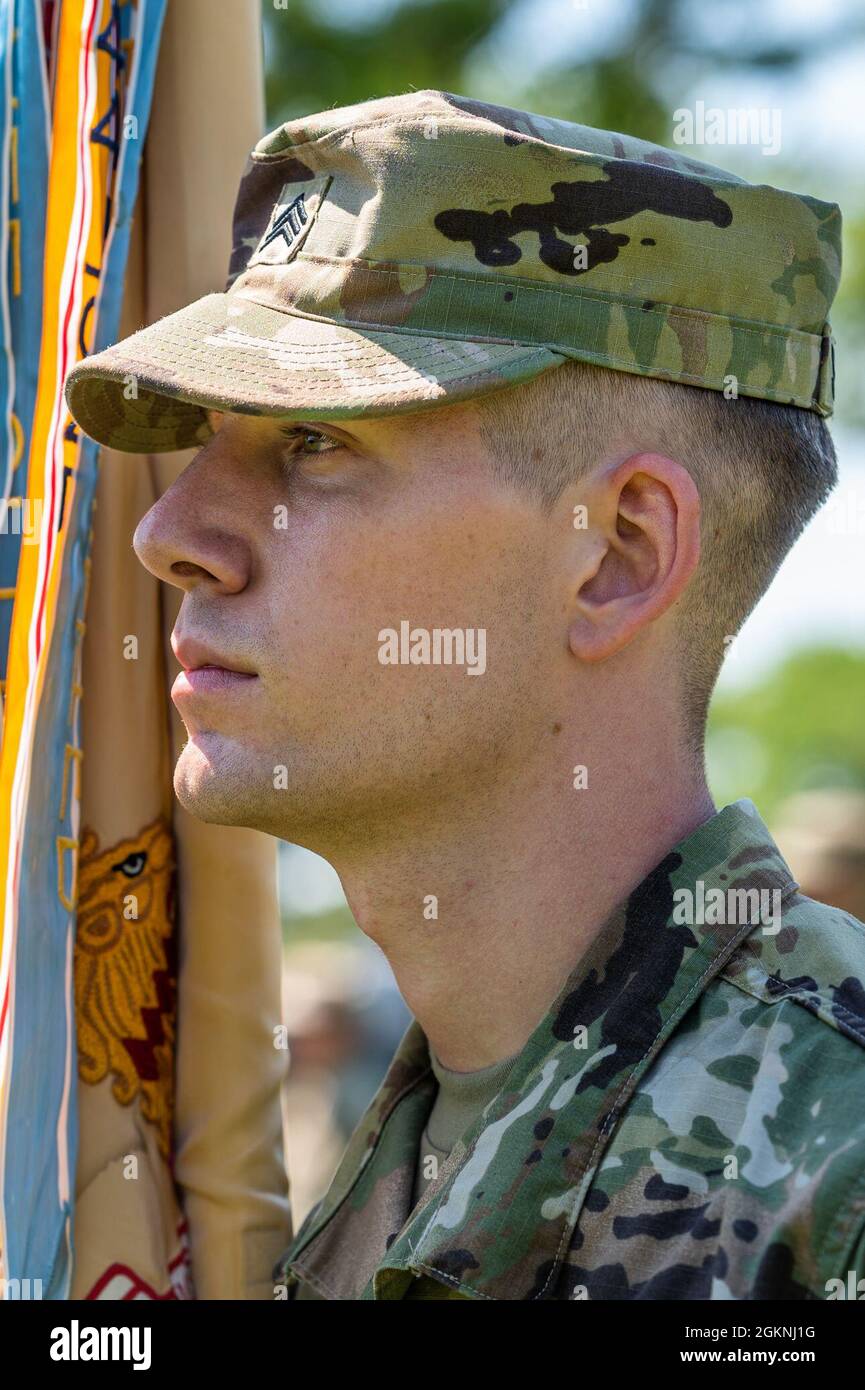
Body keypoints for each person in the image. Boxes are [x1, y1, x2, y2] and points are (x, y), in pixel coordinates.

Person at [64, 90, 865, 1301]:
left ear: (616, 554)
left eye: (313, 445)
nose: (172, 535)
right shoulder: (381, 1181)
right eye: (207, 445)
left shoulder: (834, 1171)